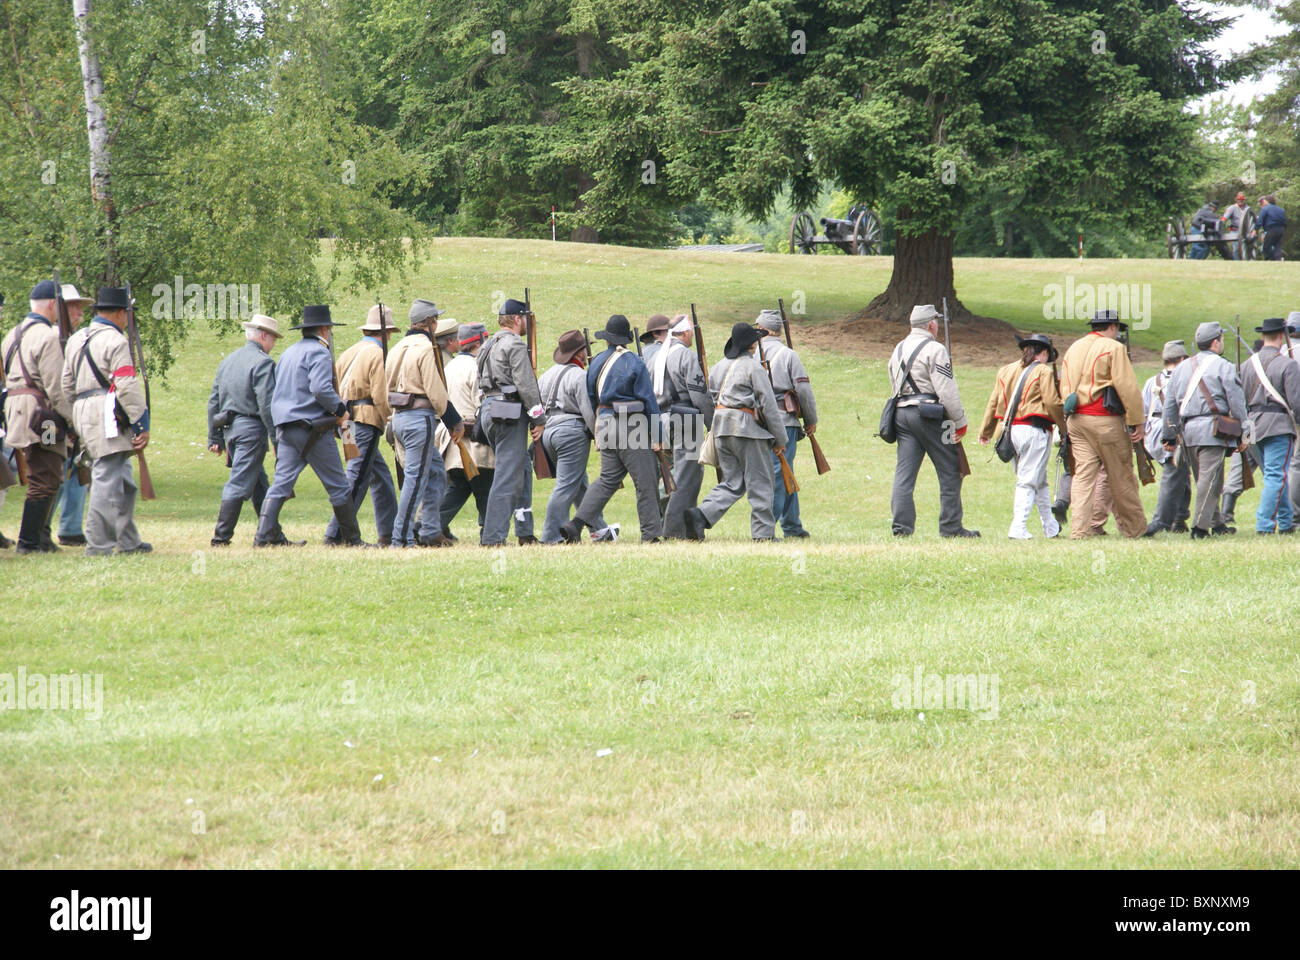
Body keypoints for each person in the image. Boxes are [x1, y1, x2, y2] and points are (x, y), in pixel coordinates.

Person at [254, 305, 368, 548]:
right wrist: (340, 410)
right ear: (325, 329)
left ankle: (262, 537)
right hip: (313, 429)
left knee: (281, 483)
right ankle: (352, 539)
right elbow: (320, 389)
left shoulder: (288, 353)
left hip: (286, 426)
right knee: (338, 485)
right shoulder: (319, 352)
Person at [60, 286, 151, 556]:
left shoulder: (77, 338)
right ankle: (99, 545)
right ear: (122, 314)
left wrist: (77, 413)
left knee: (122, 480)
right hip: (107, 412)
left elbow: (66, 384)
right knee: (106, 478)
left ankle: (128, 540)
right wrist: (141, 423)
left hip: (82, 408)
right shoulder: (116, 341)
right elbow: (126, 384)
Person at [559, 314, 664, 543]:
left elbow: (590, 397)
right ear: (625, 339)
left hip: (604, 422)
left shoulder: (595, 361)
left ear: (607, 339)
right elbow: (649, 401)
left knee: (607, 479)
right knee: (646, 482)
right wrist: (657, 436)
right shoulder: (635, 361)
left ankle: (575, 525)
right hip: (631, 425)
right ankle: (651, 535)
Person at [683, 322, 786, 540]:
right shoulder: (754, 367)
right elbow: (768, 405)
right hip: (746, 430)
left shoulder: (720, 366)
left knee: (732, 482)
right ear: (751, 346)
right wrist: (780, 438)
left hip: (721, 429)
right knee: (761, 482)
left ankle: (701, 515)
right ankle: (763, 534)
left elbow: (710, 397)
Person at [887, 304, 978, 538]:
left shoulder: (897, 349)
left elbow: (893, 382)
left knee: (904, 475)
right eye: (936, 321)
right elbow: (946, 390)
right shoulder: (936, 349)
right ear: (930, 324)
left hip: (901, 414)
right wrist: (959, 421)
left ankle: (901, 529)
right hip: (932, 416)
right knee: (950, 469)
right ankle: (951, 527)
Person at [1059, 308, 1146, 539]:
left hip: (1076, 421)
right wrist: (1137, 420)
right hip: (1105, 420)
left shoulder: (1074, 347)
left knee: (1083, 477)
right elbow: (1127, 387)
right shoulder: (1114, 348)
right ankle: (1134, 529)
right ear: (1112, 327)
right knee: (1121, 476)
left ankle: (1079, 530)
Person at [3, 280, 75, 553]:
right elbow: (56, 387)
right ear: (53, 305)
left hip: (18, 410)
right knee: (46, 476)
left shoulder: (13, 333)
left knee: (44, 472)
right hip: (42, 415)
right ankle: (30, 542)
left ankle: (41, 538)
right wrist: (72, 421)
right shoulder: (48, 336)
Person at [386, 299, 463, 548]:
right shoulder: (426, 349)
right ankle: (401, 538)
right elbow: (436, 391)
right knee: (415, 479)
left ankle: (430, 531)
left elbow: (385, 386)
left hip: (399, 417)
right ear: (431, 322)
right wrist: (454, 421)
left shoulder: (398, 347)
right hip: (420, 419)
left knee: (436, 473)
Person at [1161, 321, 1248, 538]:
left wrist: (1169, 435)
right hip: (1213, 430)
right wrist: (1245, 431)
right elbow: (1237, 403)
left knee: (1206, 480)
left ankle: (1217, 524)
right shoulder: (1224, 366)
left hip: (1188, 431)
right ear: (1215, 342)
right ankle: (1200, 529)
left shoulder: (1181, 368)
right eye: (1221, 339)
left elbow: (1170, 405)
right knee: (1210, 481)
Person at [977, 333, 1065, 539]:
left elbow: (993, 402)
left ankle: (1050, 527)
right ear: (1043, 352)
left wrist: (986, 431)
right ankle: (1018, 527)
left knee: (1039, 480)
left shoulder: (1005, 370)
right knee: (1027, 481)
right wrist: (1064, 426)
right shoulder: (1043, 370)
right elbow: (1052, 403)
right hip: (1034, 431)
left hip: (1010, 433)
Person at [323, 304, 398, 546]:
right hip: (364, 423)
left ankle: (388, 532)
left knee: (380, 477)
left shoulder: (349, 351)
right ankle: (335, 534)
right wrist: (392, 421)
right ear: (386, 333)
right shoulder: (377, 354)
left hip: (347, 423)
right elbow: (381, 395)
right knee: (356, 478)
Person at [206, 313, 281, 546]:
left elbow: (213, 402)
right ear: (264, 336)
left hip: (231, 431)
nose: (274, 344)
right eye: (273, 338)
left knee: (259, 484)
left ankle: (272, 535)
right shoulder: (263, 363)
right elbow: (267, 406)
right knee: (239, 483)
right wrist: (277, 439)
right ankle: (221, 538)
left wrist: (214, 437)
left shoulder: (228, 361)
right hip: (251, 430)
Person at [476, 297, 544, 546]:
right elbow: (526, 384)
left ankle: (506, 533)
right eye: (525, 318)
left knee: (511, 474)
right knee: (507, 478)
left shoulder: (487, 344)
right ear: (517, 319)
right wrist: (539, 418)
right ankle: (493, 538)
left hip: (489, 409)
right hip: (508, 411)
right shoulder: (514, 343)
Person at [537, 329, 610, 543]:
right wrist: (599, 435)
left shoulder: (546, 375)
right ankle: (550, 536)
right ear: (579, 354)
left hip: (548, 432)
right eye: (585, 350)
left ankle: (599, 529)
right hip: (571, 432)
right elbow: (588, 411)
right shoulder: (579, 375)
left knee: (579, 484)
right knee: (566, 486)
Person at [753, 309, 818, 538]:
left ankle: (792, 526)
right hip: (784, 423)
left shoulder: (751, 355)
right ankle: (765, 530)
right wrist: (810, 420)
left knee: (783, 472)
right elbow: (803, 391)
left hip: (756, 423)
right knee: (779, 474)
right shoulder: (788, 354)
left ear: (765, 330)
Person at [651, 314, 714, 539]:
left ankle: (690, 531)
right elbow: (699, 395)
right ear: (686, 333)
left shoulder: (657, 357)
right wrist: (712, 423)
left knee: (686, 477)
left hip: (662, 422)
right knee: (687, 478)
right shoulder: (686, 356)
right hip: (685, 420)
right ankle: (673, 531)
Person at [1239, 317, 1300, 533]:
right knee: (1276, 476)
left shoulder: (1246, 365)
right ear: (1282, 336)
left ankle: (1285, 523)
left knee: (1275, 475)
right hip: (1278, 426)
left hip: (1252, 428)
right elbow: (1296, 402)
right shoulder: (1288, 364)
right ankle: (1264, 524)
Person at [438, 322, 494, 542]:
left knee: (460, 487)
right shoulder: (477, 367)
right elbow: (482, 406)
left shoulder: (449, 366)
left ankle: (426, 526)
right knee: (486, 489)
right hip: (474, 442)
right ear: (478, 343)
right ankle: (489, 535)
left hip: (452, 441)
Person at [50, 282, 93, 546]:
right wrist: (74, 419)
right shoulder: (53, 339)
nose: (79, 312)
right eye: (74, 307)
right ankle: (41, 526)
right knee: (53, 472)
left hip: (70, 414)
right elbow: (57, 386)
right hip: (55, 416)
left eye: (79, 307)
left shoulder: (73, 340)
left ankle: (71, 527)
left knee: (78, 469)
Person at [1142, 340, 1193, 536]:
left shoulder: (1150, 382)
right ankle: (1163, 522)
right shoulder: (1183, 380)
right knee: (1174, 474)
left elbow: (1143, 409)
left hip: (1152, 433)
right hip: (1172, 431)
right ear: (1181, 358)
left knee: (1181, 473)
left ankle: (1180, 517)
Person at [1257, 194, 1286, 261]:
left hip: (1271, 229)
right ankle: (1278, 259)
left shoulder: (1265, 209)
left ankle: (1269, 259)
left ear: (1267, 201)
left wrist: (1255, 229)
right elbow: (1283, 221)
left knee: (1266, 246)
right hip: (1281, 229)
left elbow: (1260, 220)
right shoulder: (1281, 210)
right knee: (1277, 246)